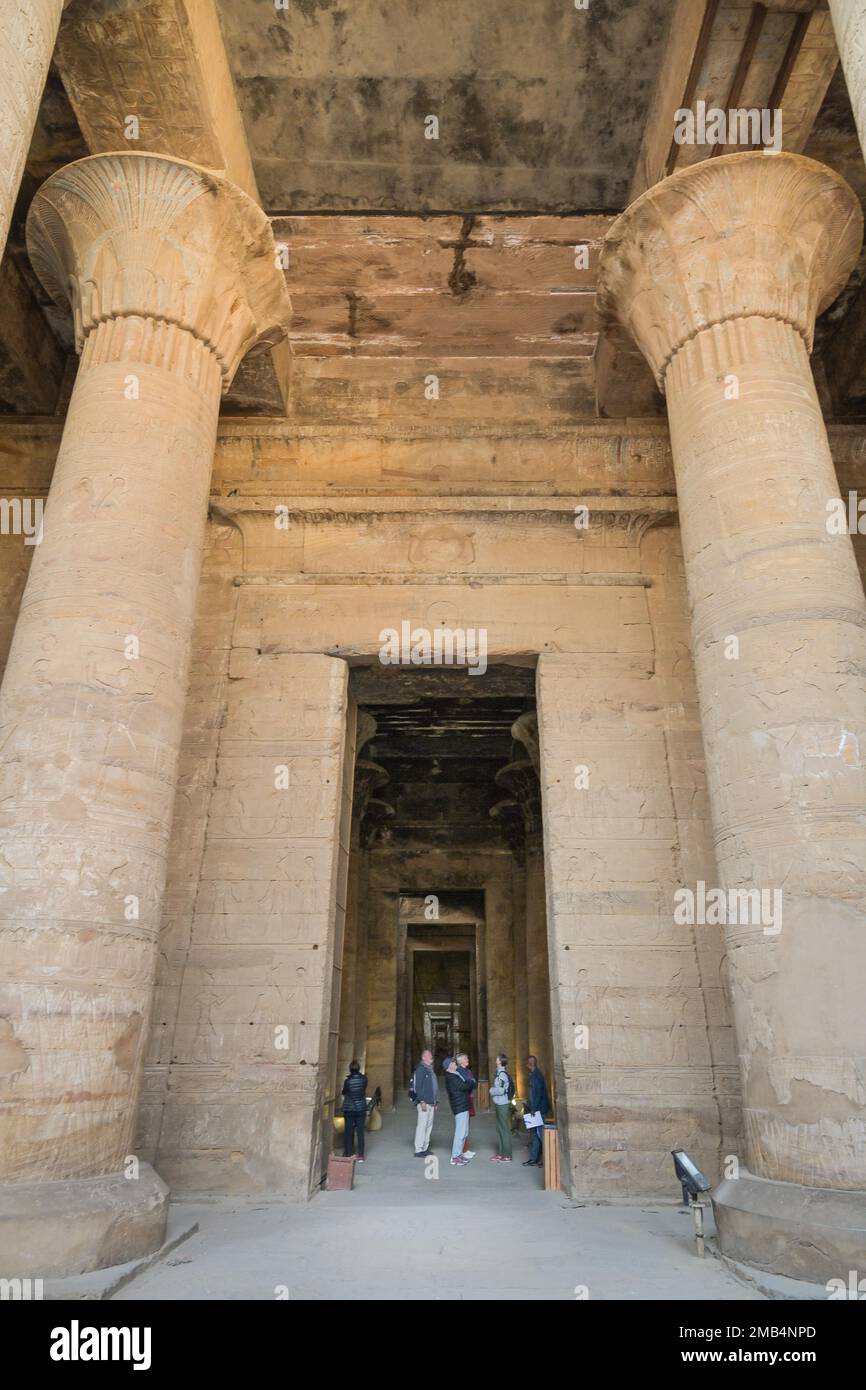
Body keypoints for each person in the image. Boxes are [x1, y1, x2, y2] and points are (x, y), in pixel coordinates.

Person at [443, 1055, 473, 1167]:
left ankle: (459, 1154)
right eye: (453, 1062)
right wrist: (470, 1083)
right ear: (449, 1065)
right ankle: (455, 1157)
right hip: (459, 1106)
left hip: (463, 1105)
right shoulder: (451, 1076)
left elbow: (466, 1085)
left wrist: (468, 1084)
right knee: (460, 1133)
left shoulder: (455, 1074)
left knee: (464, 1131)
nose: (456, 1063)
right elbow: (464, 1086)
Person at [523, 1055, 551, 1168]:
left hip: (538, 1110)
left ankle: (545, 1159)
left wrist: (533, 1108)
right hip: (534, 1109)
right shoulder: (533, 1075)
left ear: (530, 1064)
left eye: (528, 1063)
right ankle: (534, 1159)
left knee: (540, 1135)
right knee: (535, 1134)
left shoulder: (536, 1076)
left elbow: (538, 1094)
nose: (526, 1065)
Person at [410, 1048, 438, 1156]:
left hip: (431, 1102)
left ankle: (425, 1147)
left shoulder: (430, 1070)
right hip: (424, 1103)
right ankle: (419, 1149)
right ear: (423, 1057)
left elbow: (434, 1087)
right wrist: (422, 1101)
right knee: (422, 1126)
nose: (431, 1056)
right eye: (429, 1055)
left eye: (431, 1054)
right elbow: (418, 1087)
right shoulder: (421, 1069)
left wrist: (436, 1101)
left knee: (428, 1126)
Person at [341, 1059, 368, 1163]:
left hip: (349, 1108)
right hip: (361, 1108)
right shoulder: (364, 1079)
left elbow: (345, 1092)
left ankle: (348, 1152)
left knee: (348, 1131)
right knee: (360, 1132)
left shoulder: (348, 1081)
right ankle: (360, 1155)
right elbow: (363, 1089)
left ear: (350, 1069)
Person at [489, 1053, 513, 1162]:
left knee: (504, 1129)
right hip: (499, 1103)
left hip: (503, 1104)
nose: (496, 1059)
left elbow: (502, 1090)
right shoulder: (499, 1072)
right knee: (499, 1128)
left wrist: (491, 1091)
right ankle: (501, 1153)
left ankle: (507, 1154)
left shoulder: (502, 1074)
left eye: (497, 1058)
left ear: (500, 1061)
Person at [455, 1052, 476, 1159]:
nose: (468, 1059)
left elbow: (473, 1083)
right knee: (462, 1127)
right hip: (463, 1101)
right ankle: (461, 1151)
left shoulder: (468, 1071)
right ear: (460, 1061)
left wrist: (470, 1083)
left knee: (466, 1126)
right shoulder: (459, 1072)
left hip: (469, 1099)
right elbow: (467, 1084)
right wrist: (470, 1083)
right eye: (466, 1058)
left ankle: (465, 1149)